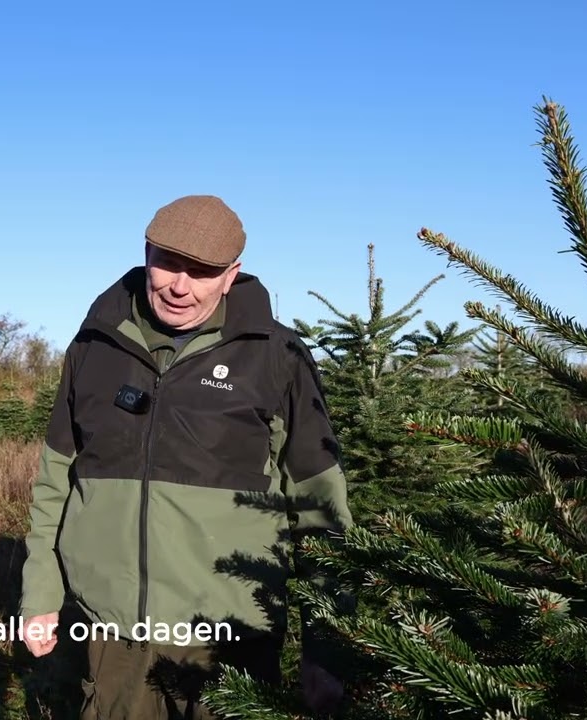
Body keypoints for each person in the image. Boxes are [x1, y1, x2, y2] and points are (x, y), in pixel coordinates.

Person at [17, 195, 353, 719]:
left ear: (231, 274)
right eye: (168, 262)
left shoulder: (276, 356)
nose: (180, 285)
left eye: (202, 271)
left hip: (228, 636)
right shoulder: (93, 347)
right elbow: (56, 478)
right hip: (114, 633)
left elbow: (320, 507)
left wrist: (326, 646)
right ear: (146, 253)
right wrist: (40, 591)